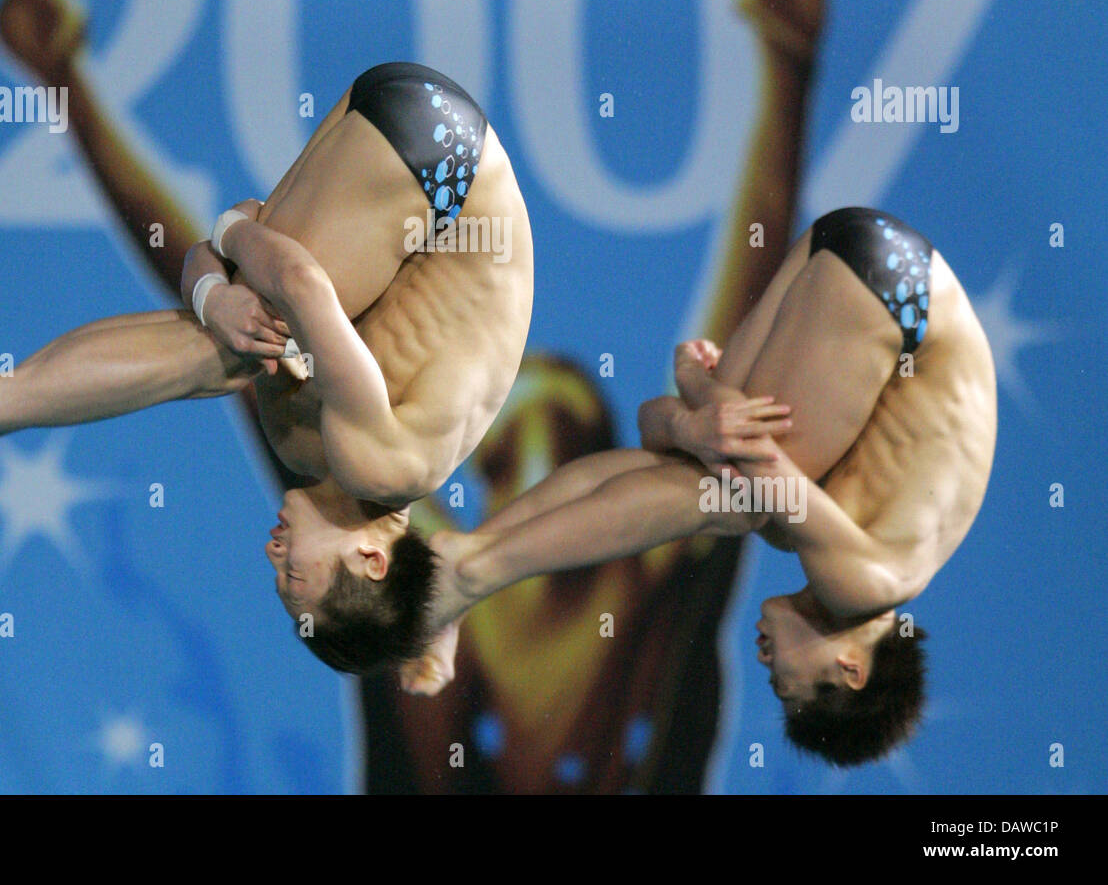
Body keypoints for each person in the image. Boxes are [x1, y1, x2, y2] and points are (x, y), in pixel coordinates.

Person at [0, 61, 534, 676]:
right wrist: (229, 253)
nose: (274, 558)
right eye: (296, 575)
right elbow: (284, 269)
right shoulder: (382, 464)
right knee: (238, 348)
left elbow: (226, 246)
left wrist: (212, 289)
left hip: (410, 122)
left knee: (234, 338)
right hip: (444, 163)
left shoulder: (309, 445)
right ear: (372, 560)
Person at [405, 208, 997, 767]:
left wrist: (694, 398)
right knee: (734, 501)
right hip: (895, 294)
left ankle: (467, 561)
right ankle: (470, 573)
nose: (765, 662)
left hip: (861, 251)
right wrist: (698, 392)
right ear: (849, 670)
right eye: (785, 684)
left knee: (702, 482)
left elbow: (656, 426)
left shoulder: (839, 540)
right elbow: (743, 452)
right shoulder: (865, 582)